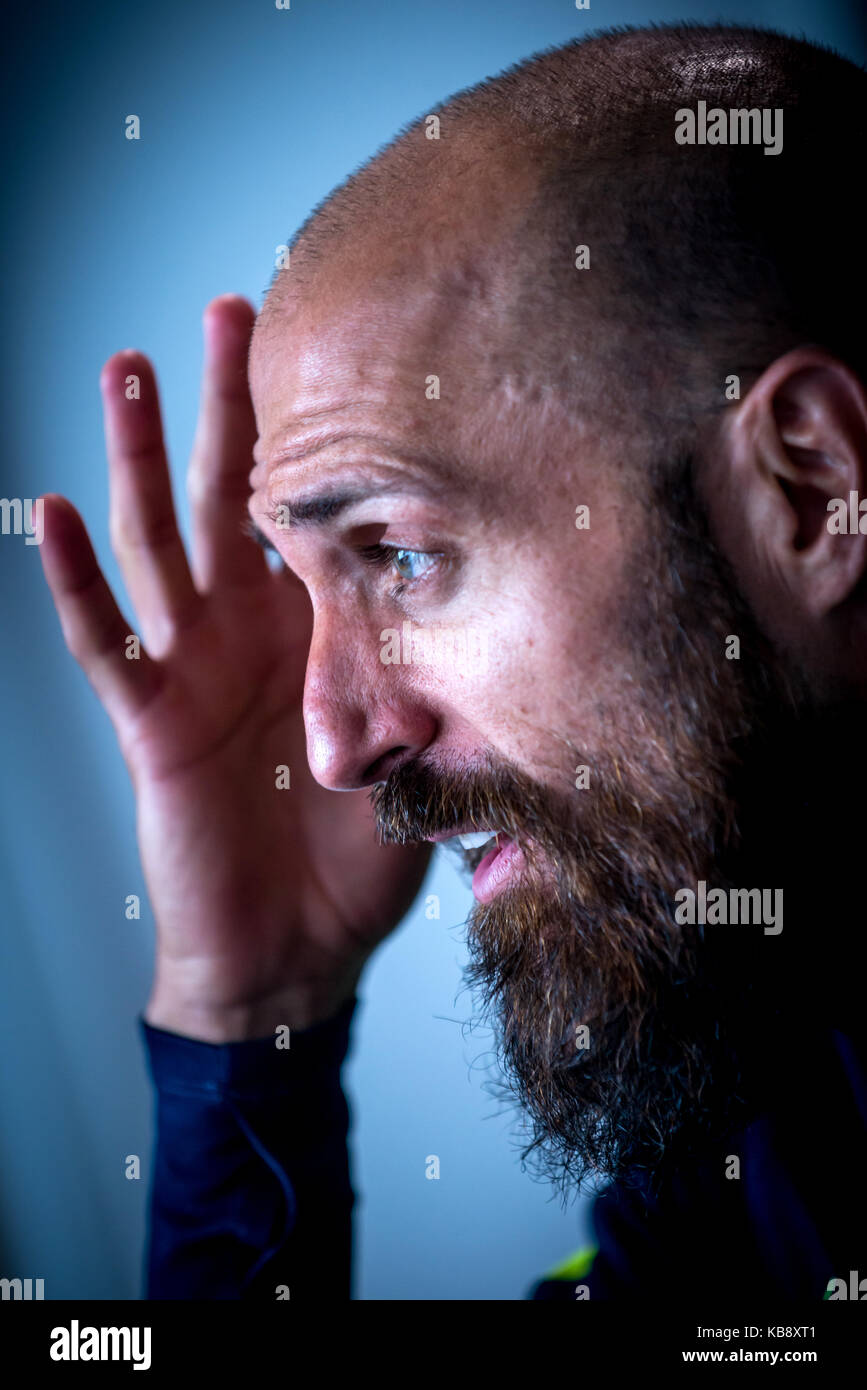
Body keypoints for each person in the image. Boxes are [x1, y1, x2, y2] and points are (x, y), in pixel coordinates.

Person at [38, 22, 867, 1299]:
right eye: (308, 586)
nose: (333, 743)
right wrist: (253, 1014)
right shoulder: (753, 1124)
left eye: (403, 554)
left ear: (809, 491)